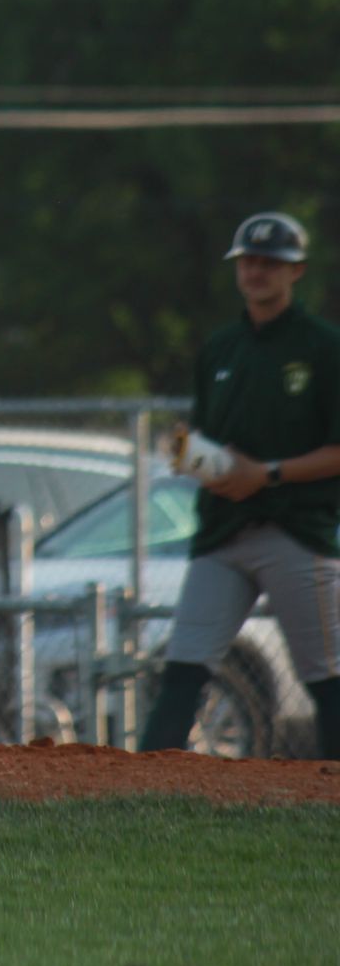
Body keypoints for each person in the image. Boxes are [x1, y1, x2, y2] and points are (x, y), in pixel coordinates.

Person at [140, 212, 340, 760]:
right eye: (249, 261)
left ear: (295, 271)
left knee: (327, 675)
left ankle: (329, 798)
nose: (256, 272)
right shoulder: (221, 348)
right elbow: (211, 435)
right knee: (184, 666)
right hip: (224, 531)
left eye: (270, 263)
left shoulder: (323, 347)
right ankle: (136, 790)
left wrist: (267, 473)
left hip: (295, 529)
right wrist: (197, 457)